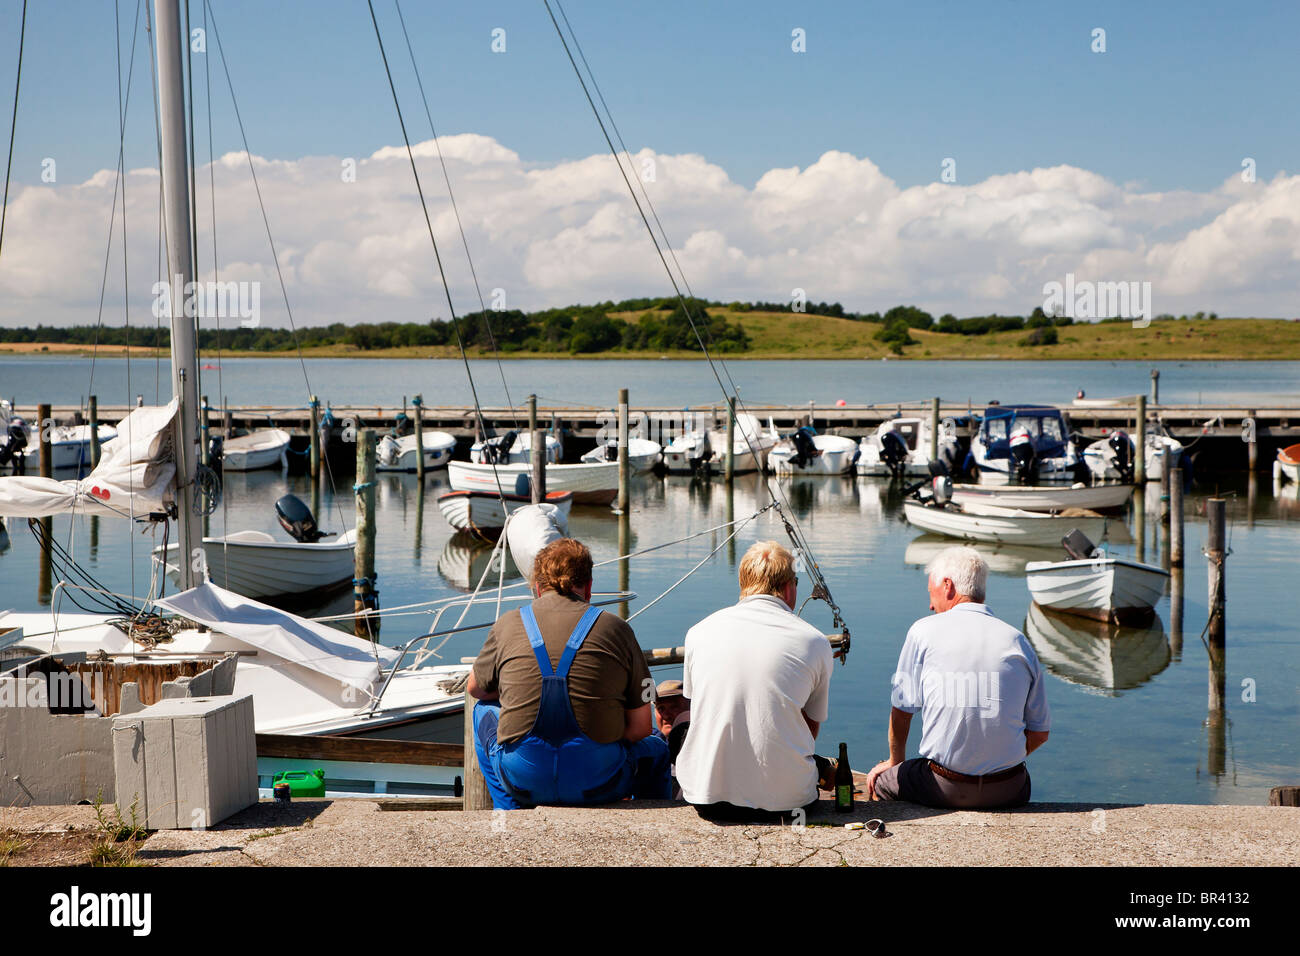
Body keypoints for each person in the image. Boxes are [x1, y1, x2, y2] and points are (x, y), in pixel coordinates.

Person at [468, 537, 670, 809]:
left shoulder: (507, 624)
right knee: (657, 747)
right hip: (599, 784)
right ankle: (652, 826)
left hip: (523, 782)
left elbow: (474, 689)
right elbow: (642, 727)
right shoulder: (618, 629)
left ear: (538, 588)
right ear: (588, 587)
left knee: (482, 710)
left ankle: (509, 812)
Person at [866, 546, 1050, 809]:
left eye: (931, 593)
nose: (930, 605)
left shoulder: (923, 631)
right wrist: (996, 761)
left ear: (948, 586)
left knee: (882, 781)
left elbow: (902, 709)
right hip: (1010, 789)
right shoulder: (1018, 641)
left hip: (943, 786)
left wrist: (895, 761)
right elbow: (1040, 732)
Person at [675, 540, 834, 822]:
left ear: (743, 583)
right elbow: (810, 729)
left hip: (707, 799)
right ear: (788, 587)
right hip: (789, 802)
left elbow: (698, 708)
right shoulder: (815, 641)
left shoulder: (697, 633)